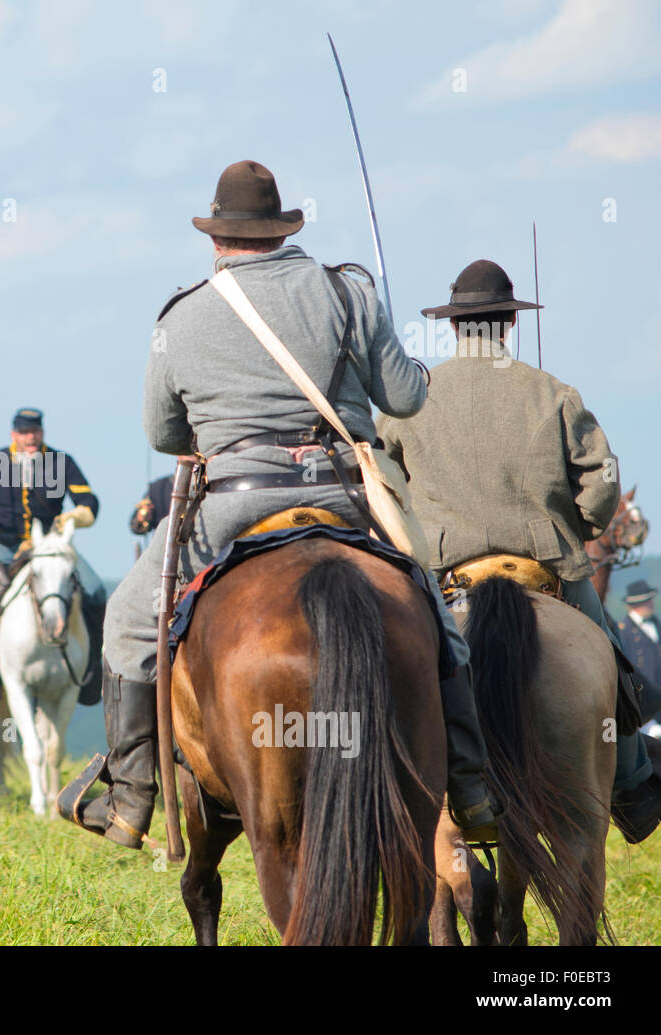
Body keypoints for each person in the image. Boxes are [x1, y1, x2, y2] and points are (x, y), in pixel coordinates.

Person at [59, 159, 500, 848]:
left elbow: (162, 433)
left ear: (217, 239)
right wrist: (407, 367)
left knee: (124, 621)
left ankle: (130, 794)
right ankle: (471, 784)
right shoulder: (349, 292)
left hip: (231, 508)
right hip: (345, 499)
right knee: (435, 612)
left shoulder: (183, 314)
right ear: (284, 228)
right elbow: (407, 398)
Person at [378, 260, 661, 843]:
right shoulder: (554, 393)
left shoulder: (412, 400)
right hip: (547, 568)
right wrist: (580, 525)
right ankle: (633, 788)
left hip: (446, 574)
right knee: (612, 666)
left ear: (455, 328)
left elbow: (378, 473)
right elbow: (603, 477)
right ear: (509, 322)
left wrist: (412, 530)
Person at [0, 407, 107, 715]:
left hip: (50, 544)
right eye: (25, 433)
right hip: (2, 544)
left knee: (94, 590)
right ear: (14, 435)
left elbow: (88, 500)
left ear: (42, 433)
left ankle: (94, 665)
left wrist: (79, 515)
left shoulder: (60, 462)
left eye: (35, 432)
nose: (31, 438)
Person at [618, 580, 661, 738]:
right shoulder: (623, 631)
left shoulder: (656, 624)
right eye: (647, 601)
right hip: (643, 700)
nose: (651, 604)